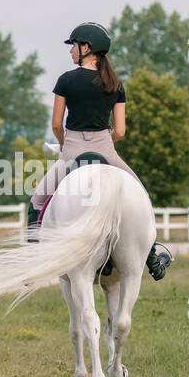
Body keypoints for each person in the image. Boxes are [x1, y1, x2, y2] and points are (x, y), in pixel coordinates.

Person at [28, 22, 172, 280]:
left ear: (87, 47)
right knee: (142, 198)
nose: (71, 51)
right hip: (106, 151)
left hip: (72, 149)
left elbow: (55, 124)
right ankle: (152, 258)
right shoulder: (115, 83)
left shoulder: (66, 81)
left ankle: (30, 263)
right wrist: (104, 144)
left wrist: (65, 145)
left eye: (74, 45)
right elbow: (120, 131)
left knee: (37, 202)